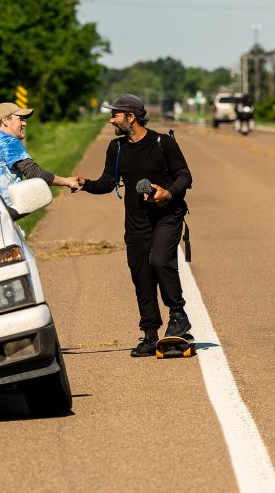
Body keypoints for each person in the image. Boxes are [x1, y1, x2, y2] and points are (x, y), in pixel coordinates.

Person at [76, 94, 193, 357]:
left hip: (167, 215)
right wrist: (86, 184)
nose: (111, 119)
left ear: (131, 117)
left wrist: (168, 193)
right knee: (141, 276)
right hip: (136, 222)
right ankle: (150, 334)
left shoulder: (163, 143)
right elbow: (108, 182)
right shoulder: (116, 148)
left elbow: (185, 175)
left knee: (160, 261)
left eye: (115, 114)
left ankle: (178, 315)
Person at [0, 102, 81, 208]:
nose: (24, 123)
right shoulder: (6, 140)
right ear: (5, 120)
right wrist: (67, 181)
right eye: (20, 118)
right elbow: (35, 173)